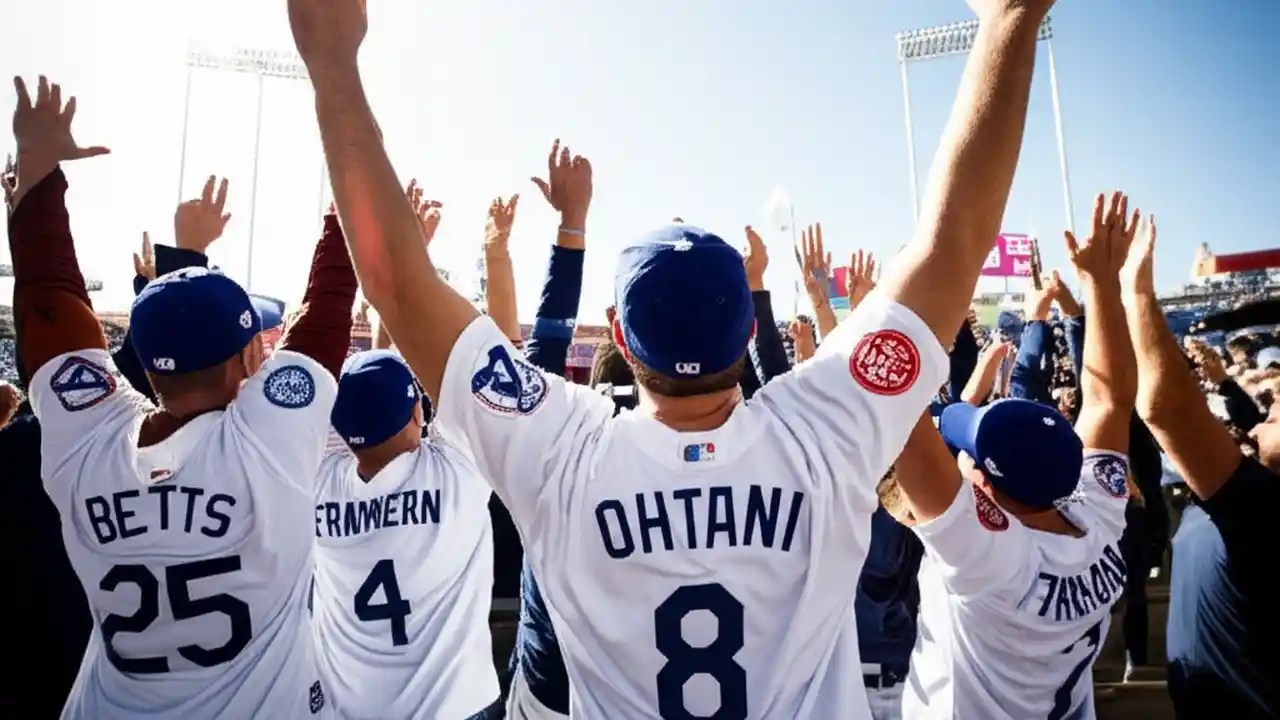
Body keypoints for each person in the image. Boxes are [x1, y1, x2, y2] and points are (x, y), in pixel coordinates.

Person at [286, 0, 1053, 713]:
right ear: (749, 335)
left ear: (619, 335)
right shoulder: (821, 431)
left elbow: (393, 282)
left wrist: (331, 62)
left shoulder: (562, 451)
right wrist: (1009, 22)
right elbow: (953, 240)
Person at [10, 75, 352, 718]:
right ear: (253, 355)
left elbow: (48, 307)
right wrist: (38, 167)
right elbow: (329, 309)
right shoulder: (267, 443)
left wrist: (36, 172)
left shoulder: (87, 442)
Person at [893, 191, 1142, 719]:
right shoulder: (1094, 519)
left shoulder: (987, 557)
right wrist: (1102, 283)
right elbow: (1111, 398)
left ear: (986, 482)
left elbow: (904, 425)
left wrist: (1101, 282)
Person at [1121, 215, 1280, 717]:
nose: (1259, 421)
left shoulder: (1264, 505)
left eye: (1273, 413)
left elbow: (1167, 408)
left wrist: (1137, 294)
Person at [312, 349, 500, 719]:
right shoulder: (457, 469)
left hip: (351, 711)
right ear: (419, 412)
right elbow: (494, 368)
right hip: (456, 707)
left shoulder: (317, 483)